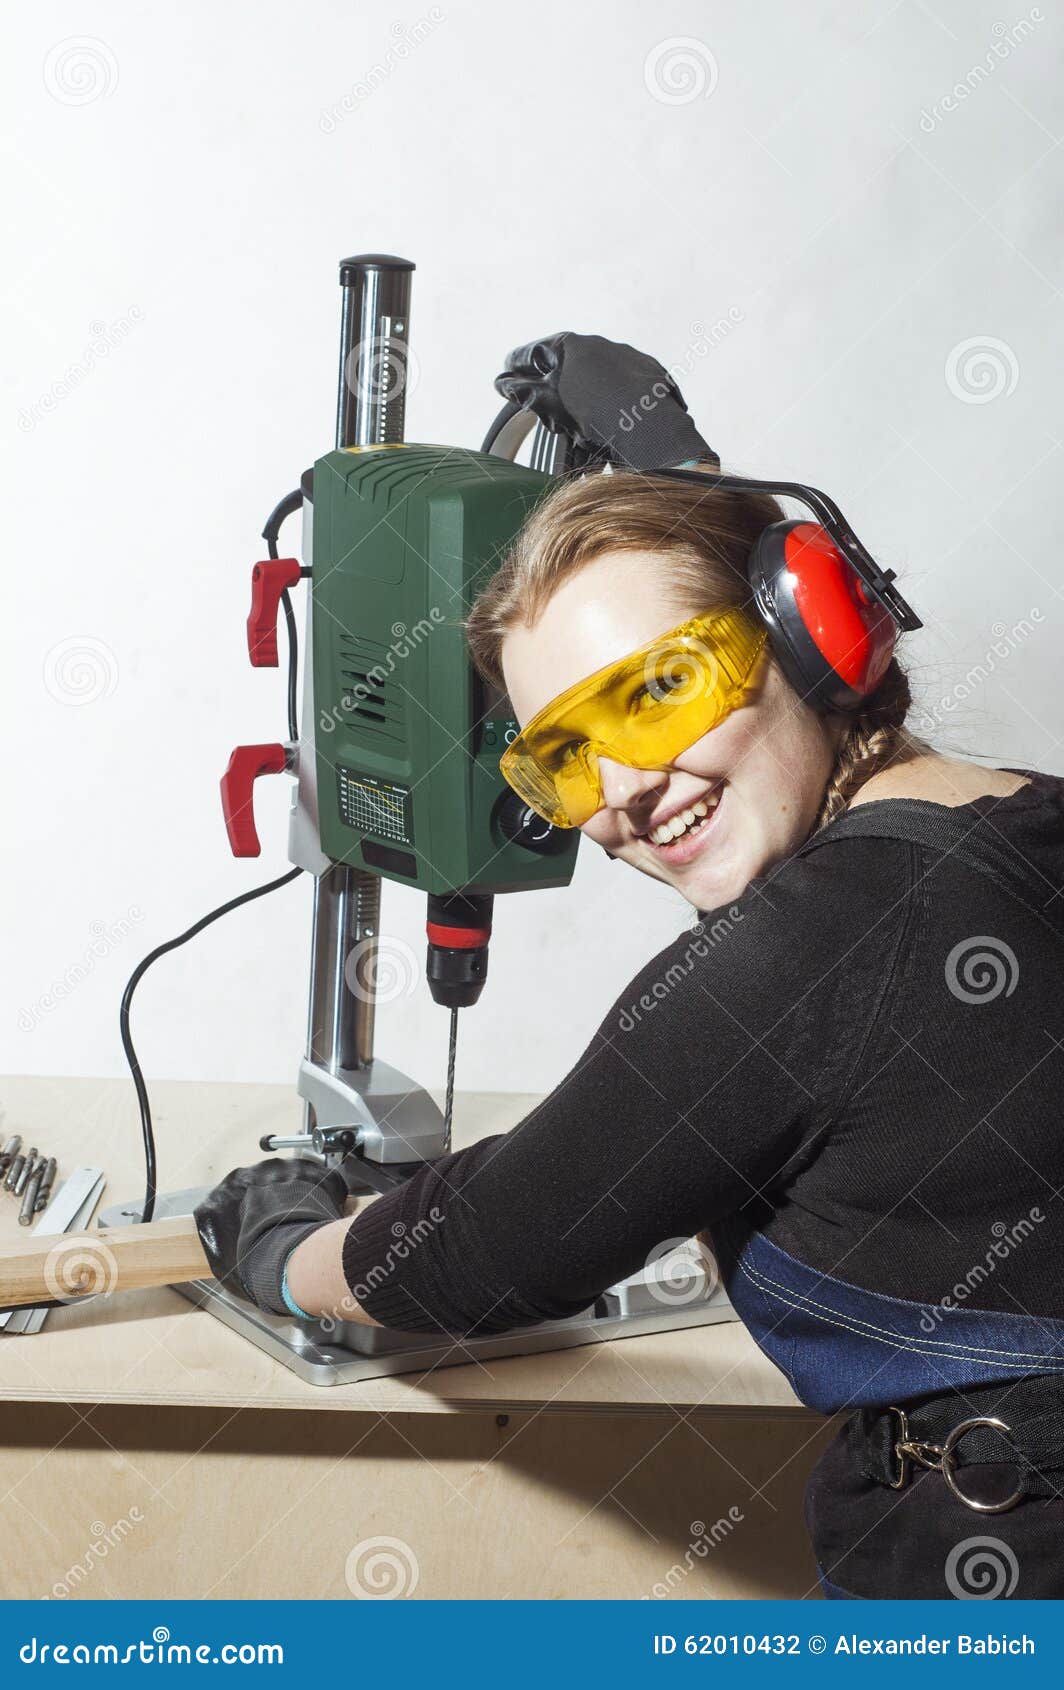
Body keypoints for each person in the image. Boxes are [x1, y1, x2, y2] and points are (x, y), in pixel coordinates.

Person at [195, 335, 1064, 1600]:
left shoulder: (812, 939)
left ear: (809, 632)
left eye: (657, 690)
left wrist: (286, 1248)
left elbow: (491, 1251)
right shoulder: (1021, 816)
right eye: (563, 755)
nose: (622, 793)